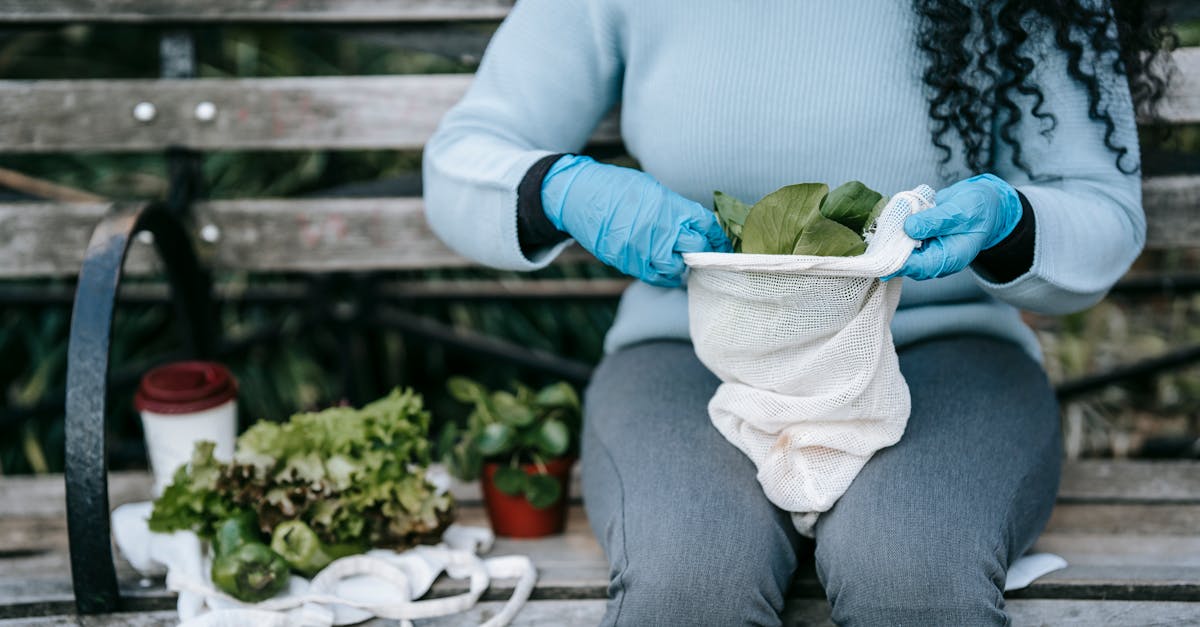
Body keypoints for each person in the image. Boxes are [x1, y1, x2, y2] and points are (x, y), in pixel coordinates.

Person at [422, 1, 1172, 624]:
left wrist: (1011, 222)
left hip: (941, 353)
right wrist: (556, 189)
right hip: (693, 354)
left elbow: (1101, 211)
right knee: (689, 584)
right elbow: (464, 155)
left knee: (914, 579)